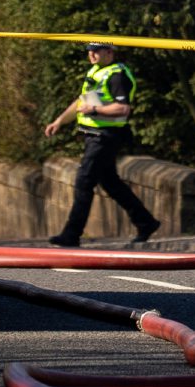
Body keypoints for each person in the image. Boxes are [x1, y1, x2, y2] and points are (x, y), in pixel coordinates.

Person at [46, 42, 161, 247]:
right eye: (89, 51)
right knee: (111, 183)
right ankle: (146, 222)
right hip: (94, 136)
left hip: (106, 136)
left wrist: (94, 111)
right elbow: (82, 102)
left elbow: (122, 108)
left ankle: (71, 234)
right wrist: (59, 121)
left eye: (96, 51)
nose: (91, 54)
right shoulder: (97, 72)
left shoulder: (117, 75)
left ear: (109, 52)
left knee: (84, 181)